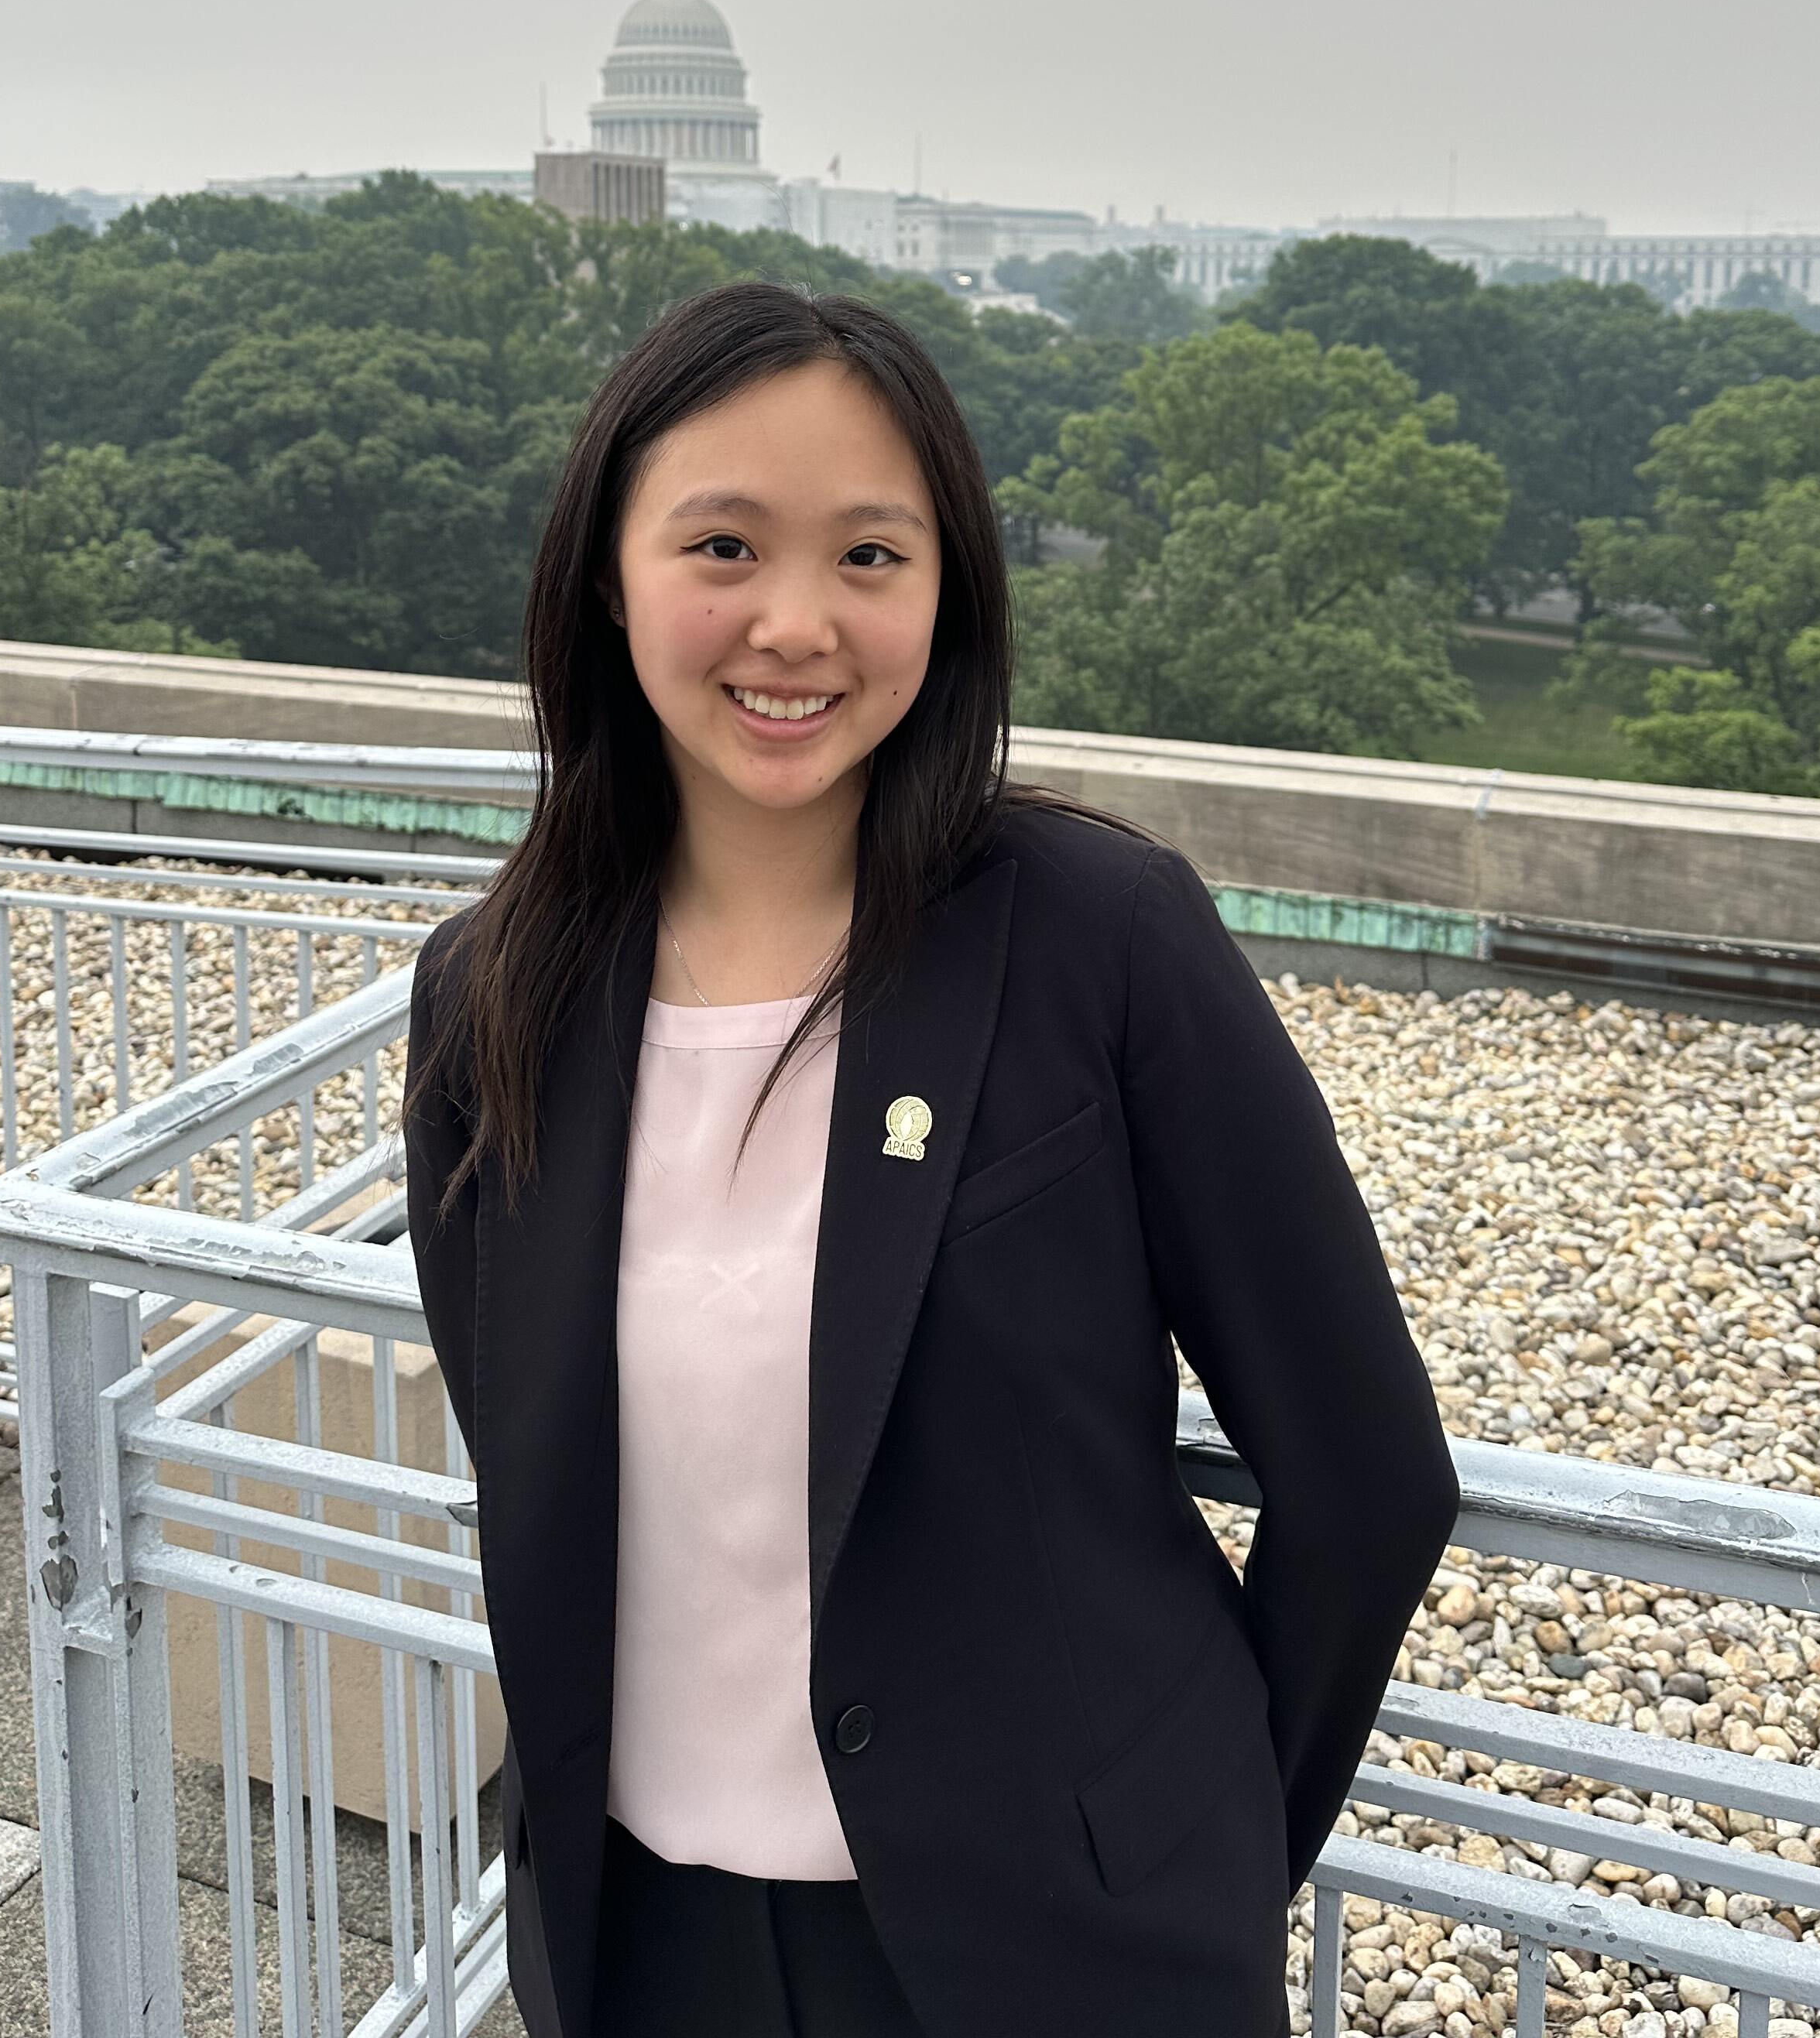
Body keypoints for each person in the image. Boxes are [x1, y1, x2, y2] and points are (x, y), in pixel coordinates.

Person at [403, 281, 1458, 2038]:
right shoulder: (495, 996)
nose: (796, 624)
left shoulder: (1101, 939)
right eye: (724, 546)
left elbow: (1366, 1474)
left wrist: (1192, 1855)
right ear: (606, 575)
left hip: (1056, 1962)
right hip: (645, 1944)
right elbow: (535, 1460)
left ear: (948, 586)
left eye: (870, 557)